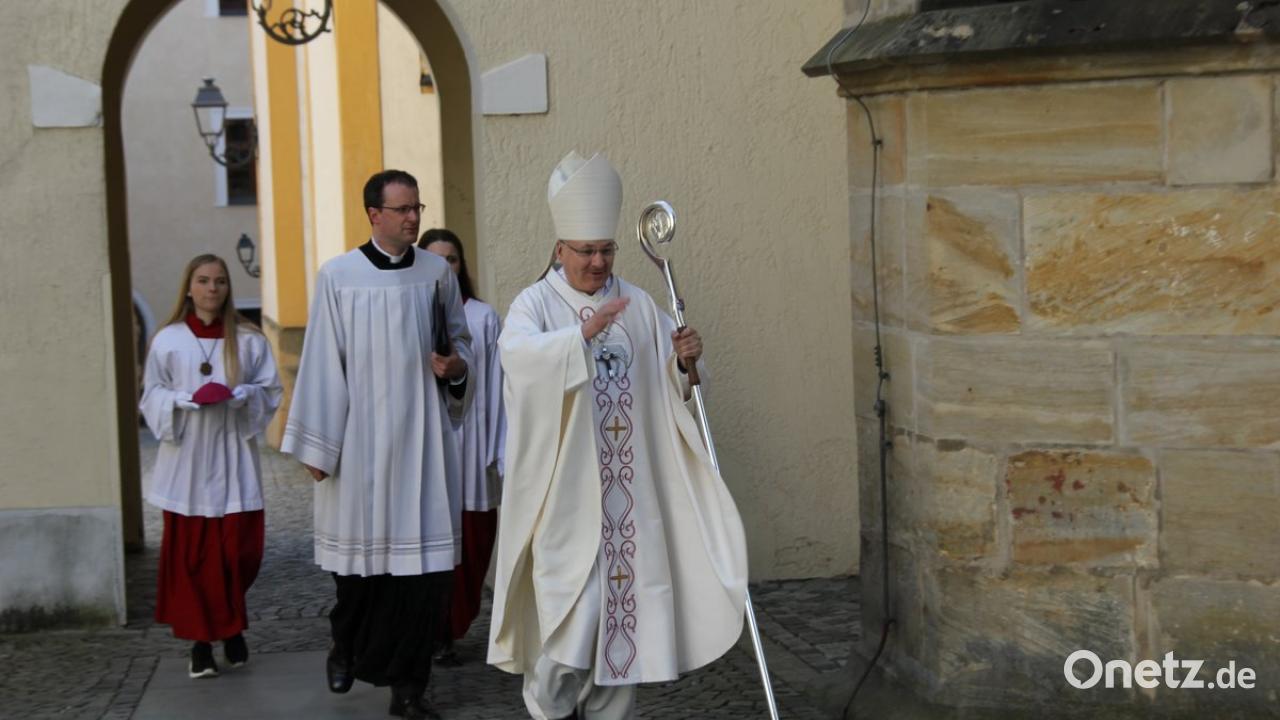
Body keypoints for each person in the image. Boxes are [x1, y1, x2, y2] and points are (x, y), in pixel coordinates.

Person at [487, 151, 748, 720]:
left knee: (619, 642)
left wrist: (685, 363)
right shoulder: (534, 305)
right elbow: (518, 361)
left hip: (629, 506)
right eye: (586, 251)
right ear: (560, 250)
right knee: (567, 637)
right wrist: (580, 337)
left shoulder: (640, 307)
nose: (599, 261)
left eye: (606, 250)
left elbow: (670, 392)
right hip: (566, 503)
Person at [281, 170, 472, 720]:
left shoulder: (437, 274)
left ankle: (409, 691)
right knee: (361, 579)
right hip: (361, 450)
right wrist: (320, 448)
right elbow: (321, 361)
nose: (413, 217)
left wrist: (457, 368)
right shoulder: (339, 276)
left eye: (417, 207)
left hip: (423, 447)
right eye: (403, 209)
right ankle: (346, 642)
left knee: (424, 585)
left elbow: (461, 343)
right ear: (374, 215)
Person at [139, 253, 282, 679]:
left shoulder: (249, 339)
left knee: (238, 551)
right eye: (203, 281)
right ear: (189, 287)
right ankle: (202, 643)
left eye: (219, 281)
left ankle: (229, 621)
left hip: (232, 456)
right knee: (193, 557)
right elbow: (152, 395)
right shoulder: (168, 339)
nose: (211, 289)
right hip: (187, 459)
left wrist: (241, 397)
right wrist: (180, 401)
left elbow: (269, 390)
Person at [418, 228, 506, 664]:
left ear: (461, 266)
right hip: (425, 448)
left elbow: (496, 387)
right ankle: (433, 631)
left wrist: (498, 449)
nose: (444, 268)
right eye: (435, 260)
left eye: (451, 260)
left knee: (471, 547)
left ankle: (455, 621)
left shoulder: (483, 317)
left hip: (472, 447)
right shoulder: (407, 313)